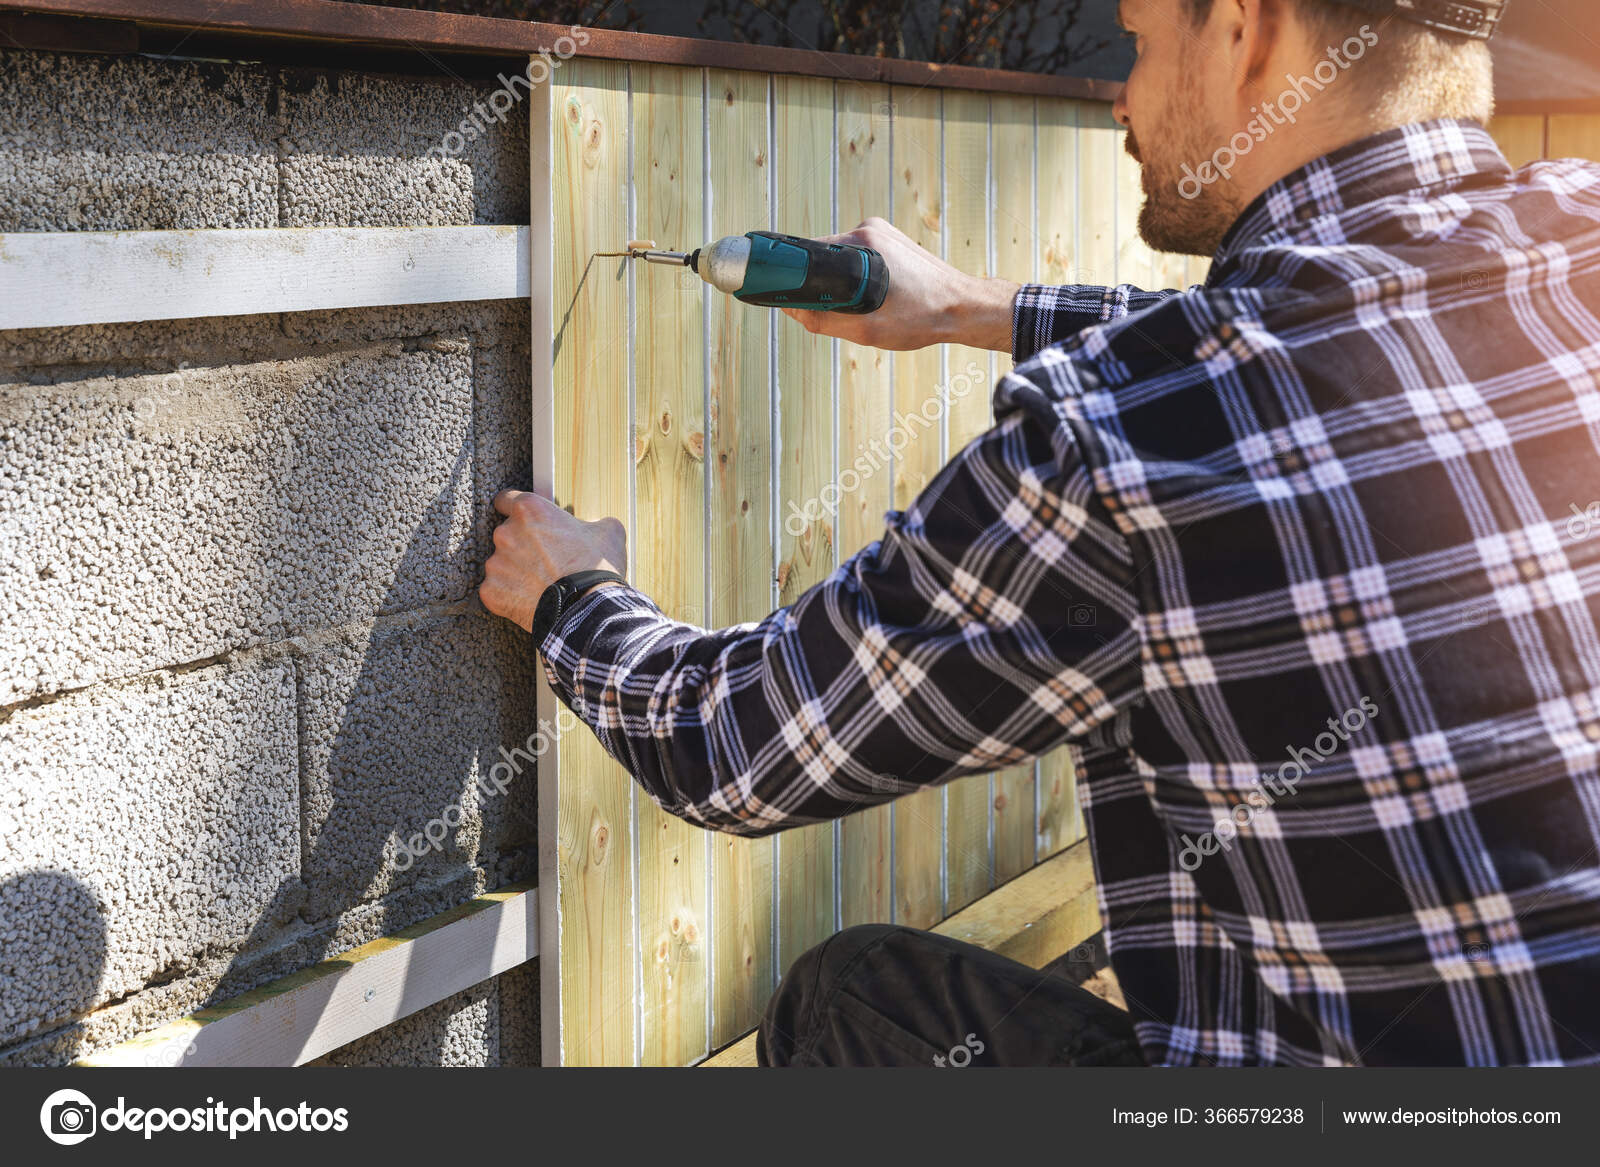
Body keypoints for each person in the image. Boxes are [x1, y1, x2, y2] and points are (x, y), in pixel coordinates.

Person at [481, 0, 1600, 1066]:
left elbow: (735, 751)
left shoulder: (1117, 448)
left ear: (1244, 31)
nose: (1119, 99)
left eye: (1138, 42)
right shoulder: (1574, 235)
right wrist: (976, 306)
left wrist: (571, 595)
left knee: (847, 1007)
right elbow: (1350, 325)